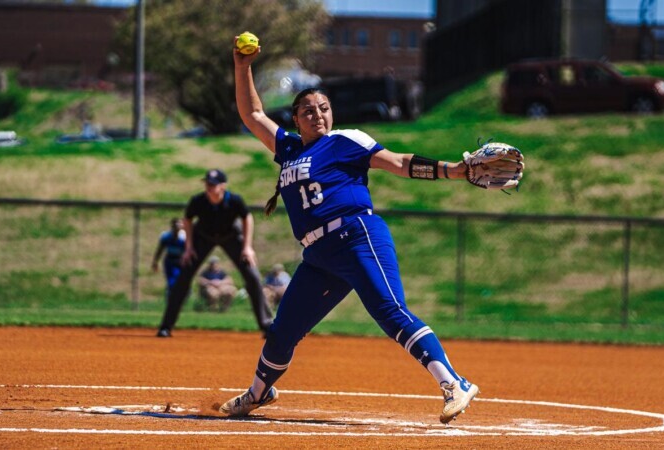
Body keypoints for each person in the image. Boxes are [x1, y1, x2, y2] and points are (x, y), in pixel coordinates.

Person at [220, 38, 481, 425]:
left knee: (389, 312)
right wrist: (242, 66)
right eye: (308, 111)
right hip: (318, 255)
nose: (318, 115)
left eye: (324, 109)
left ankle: (454, 382)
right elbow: (253, 114)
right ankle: (258, 393)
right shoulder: (289, 149)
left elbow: (398, 162)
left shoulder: (345, 141)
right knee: (283, 331)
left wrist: (452, 170)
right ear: (296, 119)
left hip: (358, 236)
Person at [156, 168, 274, 338]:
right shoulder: (198, 200)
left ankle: (266, 325)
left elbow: (247, 218)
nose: (209, 187)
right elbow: (187, 219)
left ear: (223, 186)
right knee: (183, 276)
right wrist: (189, 247)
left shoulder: (234, 200)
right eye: (207, 184)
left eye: (213, 184)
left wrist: (247, 247)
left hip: (231, 236)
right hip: (203, 236)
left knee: (252, 276)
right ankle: (166, 326)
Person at [151, 218, 186, 302]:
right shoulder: (166, 236)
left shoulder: (184, 237)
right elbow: (160, 249)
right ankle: (171, 300)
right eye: (176, 225)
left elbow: (188, 250)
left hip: (180, 261)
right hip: (170, 261)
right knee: (171, 282)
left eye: (179, 224)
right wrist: (155, 261)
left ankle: (180, 297)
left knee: (180, 281)